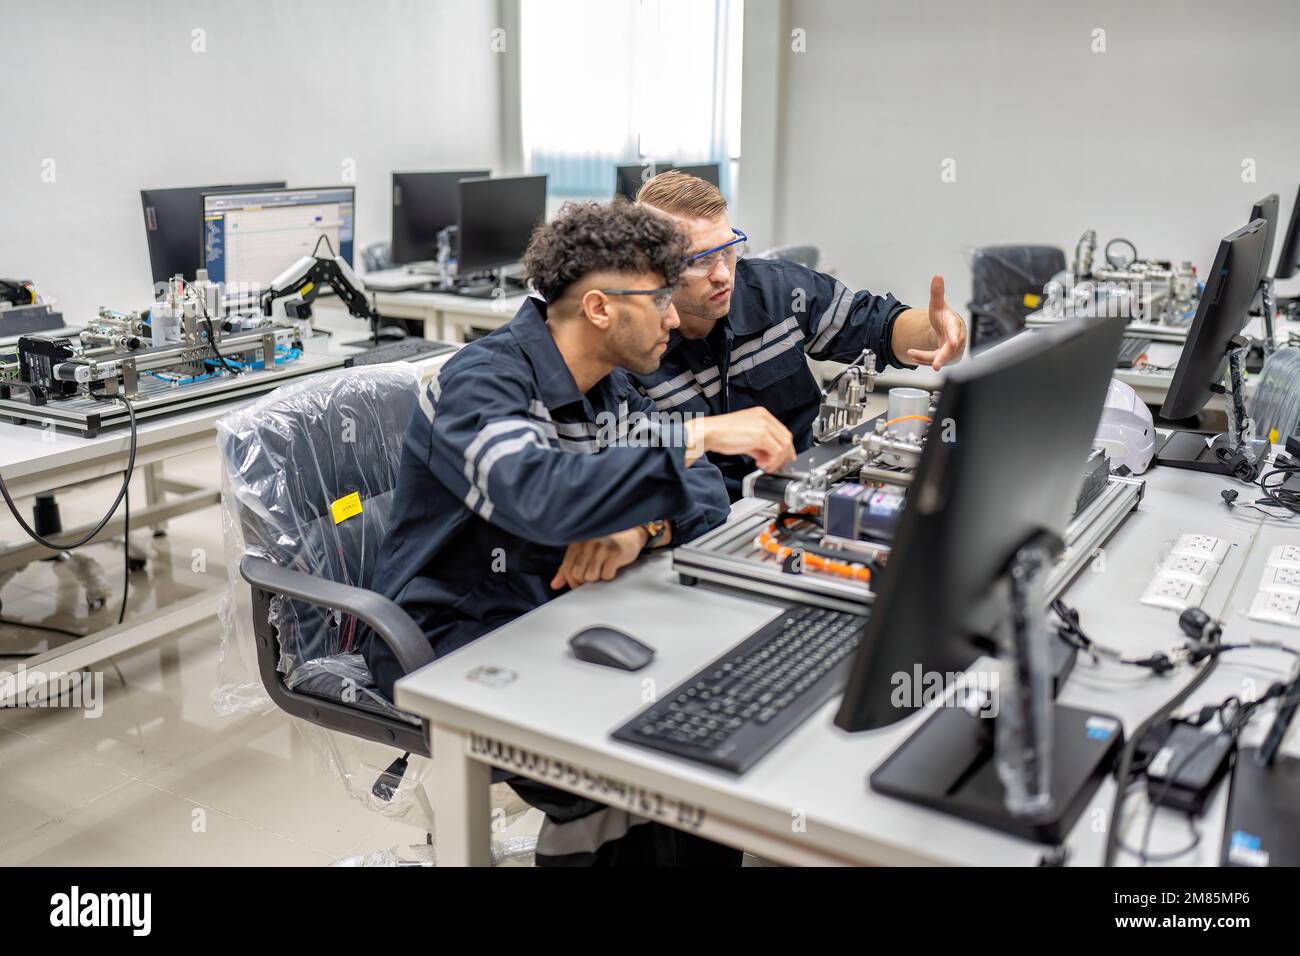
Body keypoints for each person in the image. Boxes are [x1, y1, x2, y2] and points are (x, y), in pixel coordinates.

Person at [361, 200, 794, 866]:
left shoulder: (612, 387)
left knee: (700, 719)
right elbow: (536, 495)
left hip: (553, 604)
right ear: (599, 308)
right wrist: (696, 433)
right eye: (660, 301)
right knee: (622, 764)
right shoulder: (482, 382)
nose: (676, 319)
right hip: (451, 629)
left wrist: (639, 529)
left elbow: (705, 494)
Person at [634, 170, 968, 498]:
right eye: (700, 261)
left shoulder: (778, 289)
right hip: (696, 519)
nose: (722, 274)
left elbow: (874, 325)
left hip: (798, 487)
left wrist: (934, 331)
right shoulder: (629, 348)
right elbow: (624, 470)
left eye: (728, 249)